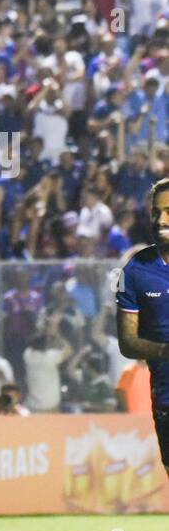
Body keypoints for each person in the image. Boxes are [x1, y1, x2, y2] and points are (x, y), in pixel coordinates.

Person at [116, 179, 169, 474]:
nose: (161, 220)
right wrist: (164, 349)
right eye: (156, 212)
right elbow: (127, 342)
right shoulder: (135, 271)